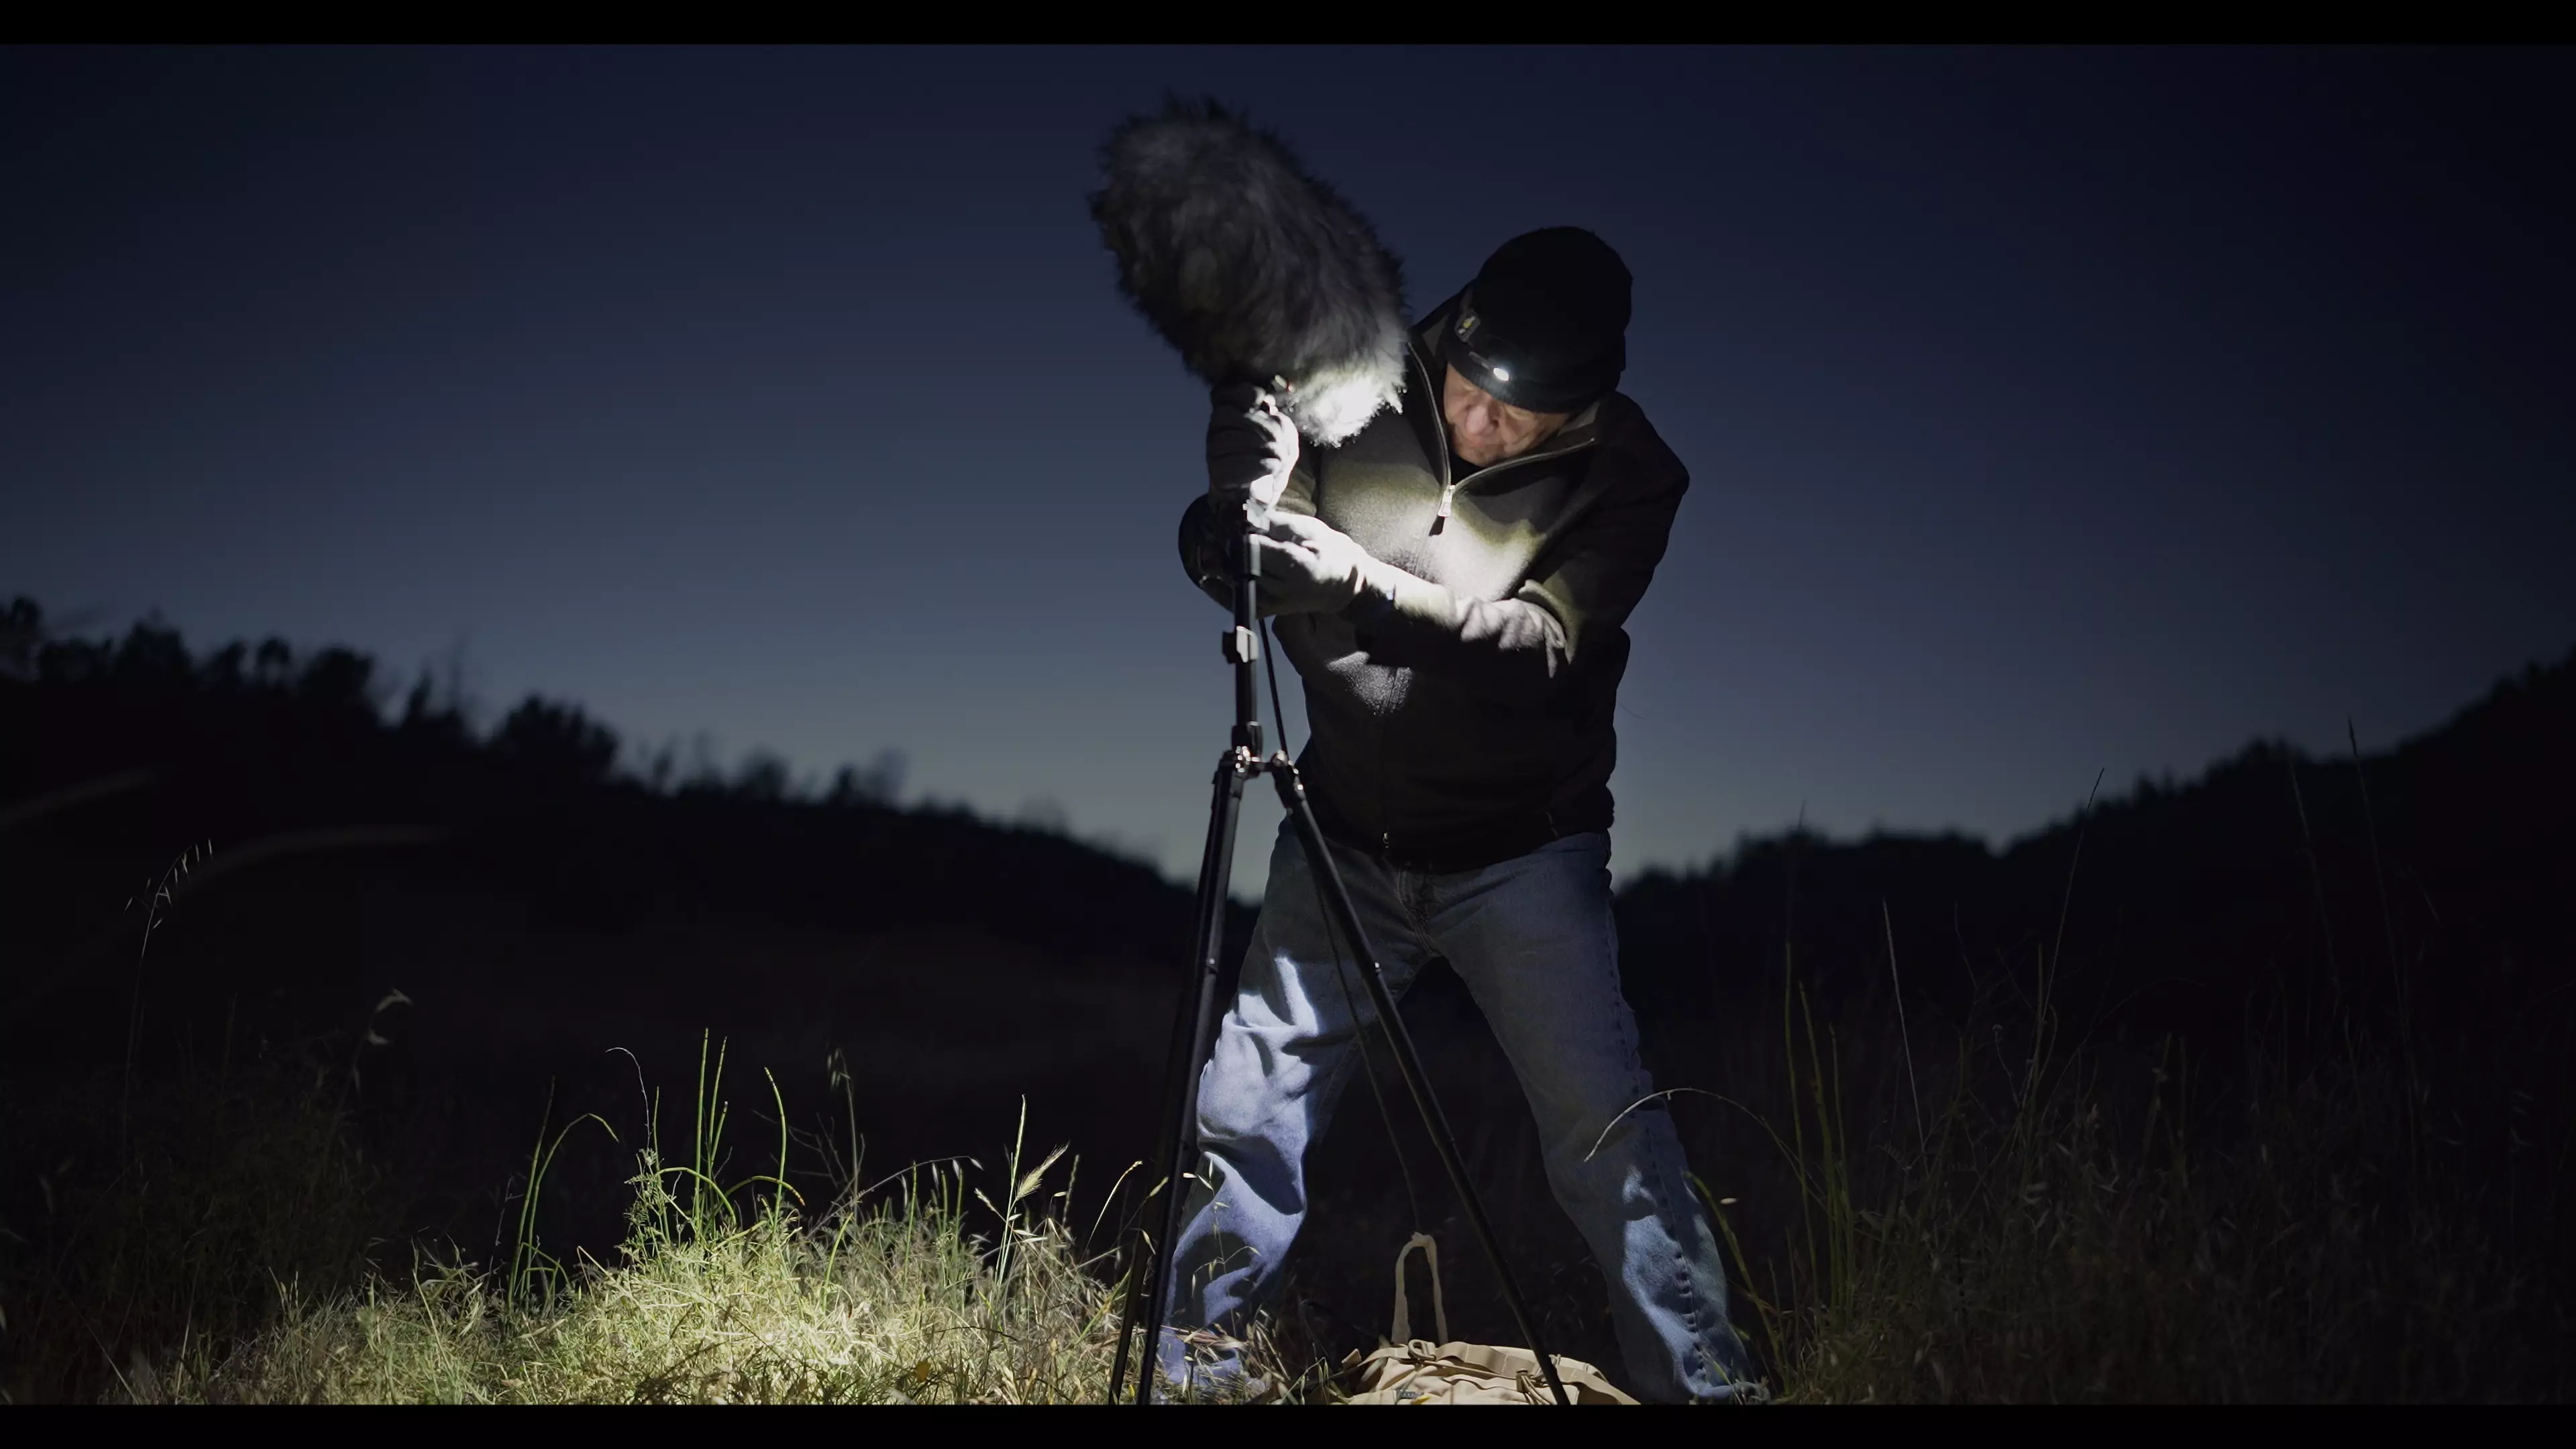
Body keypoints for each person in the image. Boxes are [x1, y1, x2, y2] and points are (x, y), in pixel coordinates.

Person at [1165, 227, 1755, 1403]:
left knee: (1610, 1141)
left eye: (1516, 420)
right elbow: (1228, 548)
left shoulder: (1635, 477)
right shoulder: (1353, 382)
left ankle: (1711, 1394)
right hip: (1341, 841)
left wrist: (1357, 584)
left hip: (1521, 859)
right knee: (1243, 1112)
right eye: (1469, 392)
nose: (1481, 427)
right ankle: (1195, 1381)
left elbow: (1544, 648)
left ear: (1585, 405)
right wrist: (1232, 509)